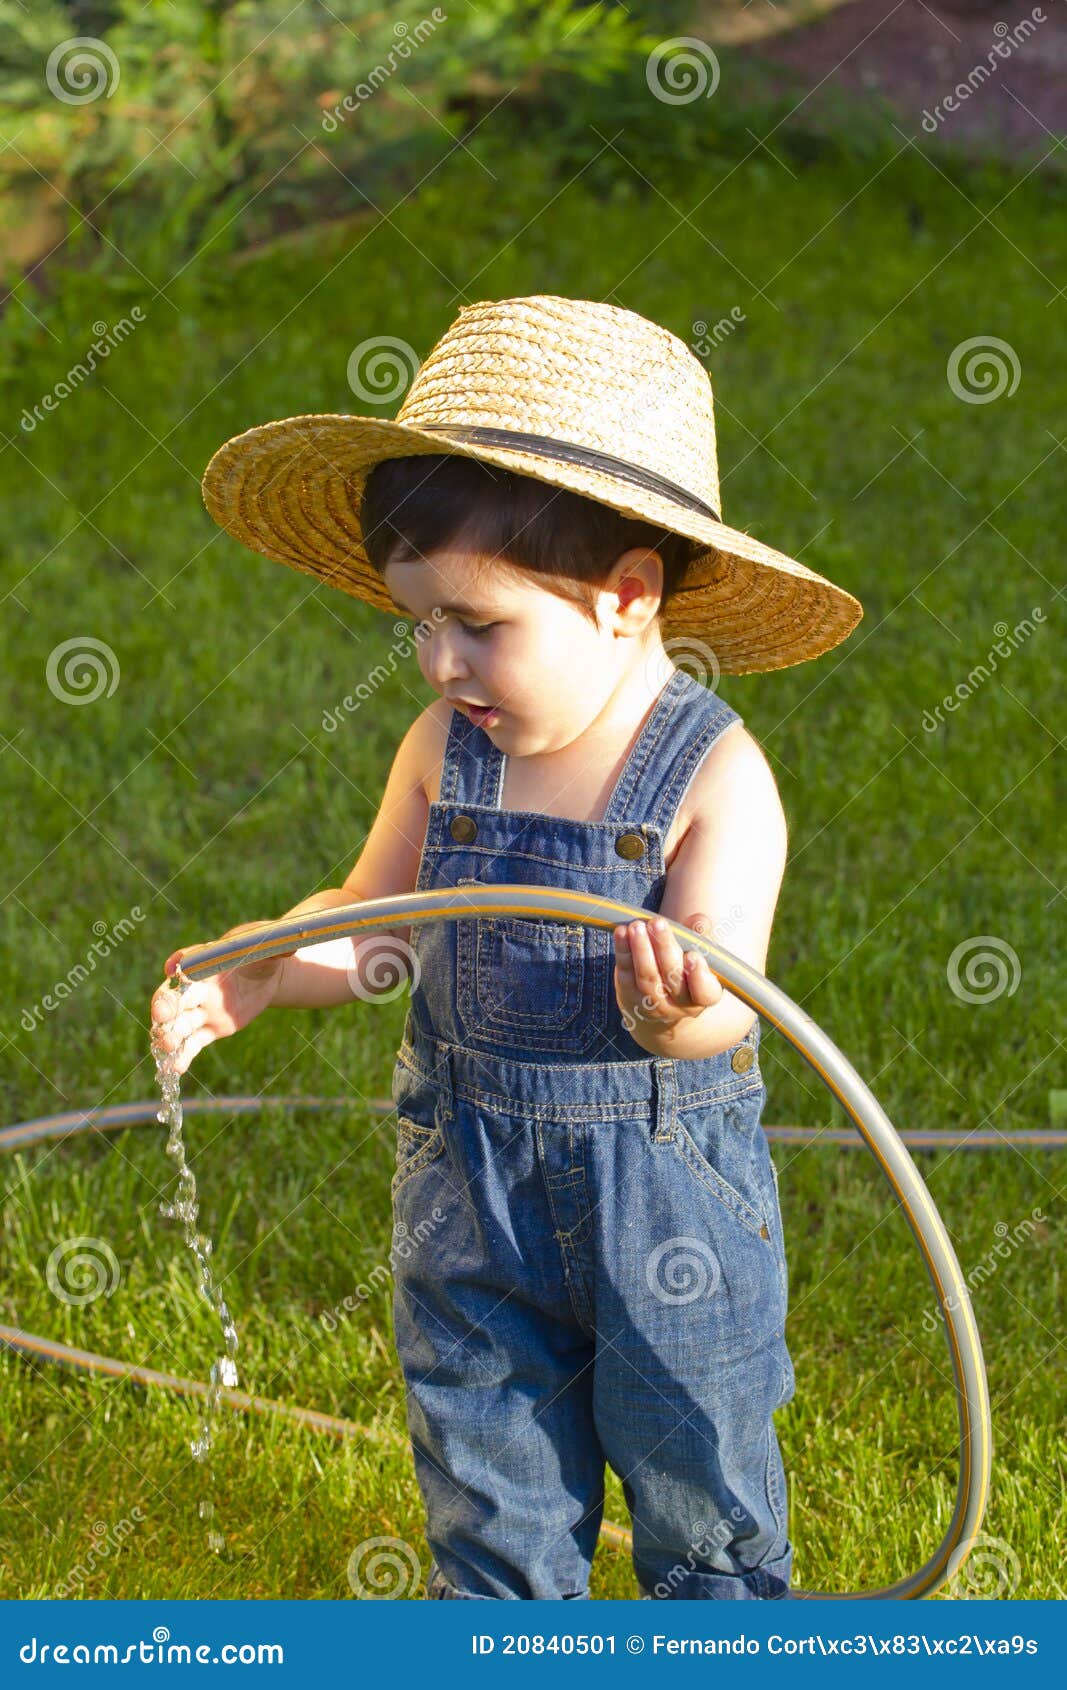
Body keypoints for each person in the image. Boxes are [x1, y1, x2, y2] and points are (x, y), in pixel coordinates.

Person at [150, 294, 862, 1599]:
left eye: (476, 622)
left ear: (625, 595)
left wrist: (677, 1016)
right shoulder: (445, 754)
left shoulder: (715, 778)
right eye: (416, 621)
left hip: (662, 1196)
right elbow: (376, 931)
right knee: (488, 1476)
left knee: (698, 1477)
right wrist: (269, 960)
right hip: (471, 1188)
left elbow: (729, 1005)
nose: (436, 661)